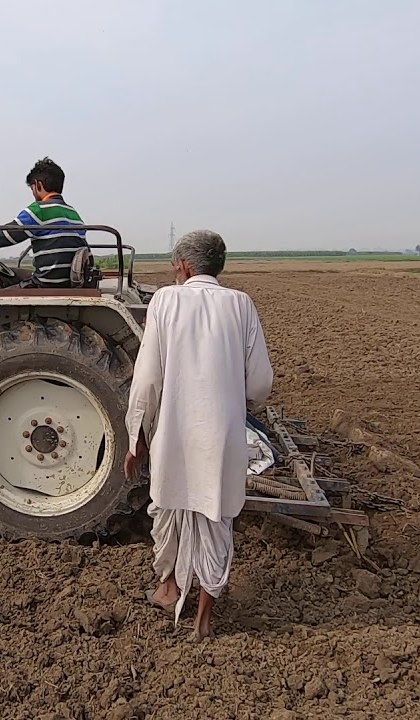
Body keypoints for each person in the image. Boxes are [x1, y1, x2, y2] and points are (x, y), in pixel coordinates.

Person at [123, 229, 274, 640]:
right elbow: (261, 383)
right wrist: (235, 399)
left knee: (169, 510)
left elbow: (147, 380)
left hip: (173, 434)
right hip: (222, 437)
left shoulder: (165, 301)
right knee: (215, 519)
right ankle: (203, 620)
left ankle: (169, 589)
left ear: (185, 266)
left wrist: (136, 437)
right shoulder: (241, 304)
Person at [0, 157, 88, 289]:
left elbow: (4, 236)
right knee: (5, 275)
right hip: (68, 282)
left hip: (45, 285)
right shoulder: (74, 214)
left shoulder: (39, 210)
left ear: (38, 185)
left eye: (32, 188)